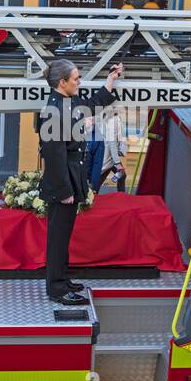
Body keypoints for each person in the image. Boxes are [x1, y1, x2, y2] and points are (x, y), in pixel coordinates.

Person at [38, 59, 123, 305]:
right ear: (62, 82)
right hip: (62, 183)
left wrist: (111, 79)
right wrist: (65, 191)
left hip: (71, 177)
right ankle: (56, 289)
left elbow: (93, 104)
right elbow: (54, 157)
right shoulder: (54, 111)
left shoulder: (68, 100)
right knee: (57, 238)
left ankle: (62, 279)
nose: (79, 82)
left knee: (64, 236)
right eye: (76, 79)